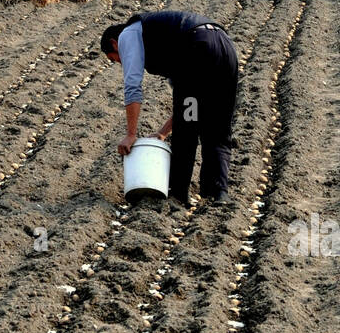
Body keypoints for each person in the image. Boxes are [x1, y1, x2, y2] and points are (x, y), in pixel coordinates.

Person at [102, 11, 238, 206]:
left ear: (114, 44)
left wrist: (131, 134)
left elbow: (132, 84)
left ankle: (178, 195)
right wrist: (163, 132)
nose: (120, 62)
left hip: (197, 49)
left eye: (114, 59)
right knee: (218, 127)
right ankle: (218, 194)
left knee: (187, 128)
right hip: (224, 48)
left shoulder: (127, 34)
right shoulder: (169, 39)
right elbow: (187, 102)